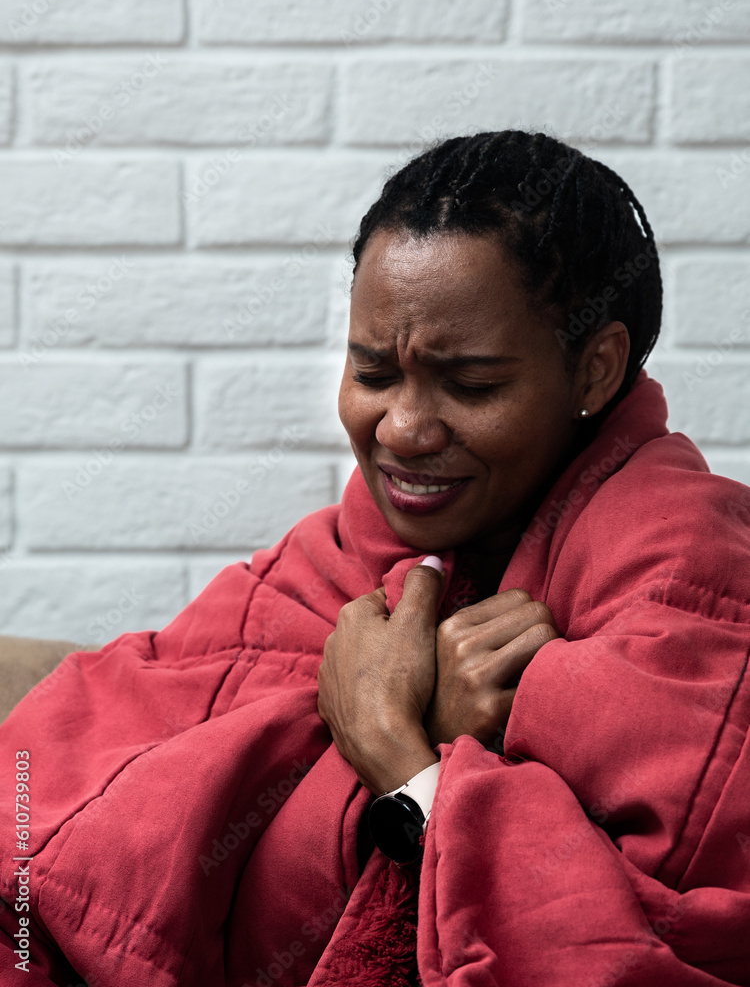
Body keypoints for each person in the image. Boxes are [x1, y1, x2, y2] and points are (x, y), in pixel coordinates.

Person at [1, 129, 749, 987]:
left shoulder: (691, 576)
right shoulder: (326, 561)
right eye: (373, 373)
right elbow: (45, 812)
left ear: (596, 370)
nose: (403, 429)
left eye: (470, 384)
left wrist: (397, 752)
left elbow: (650, 954)